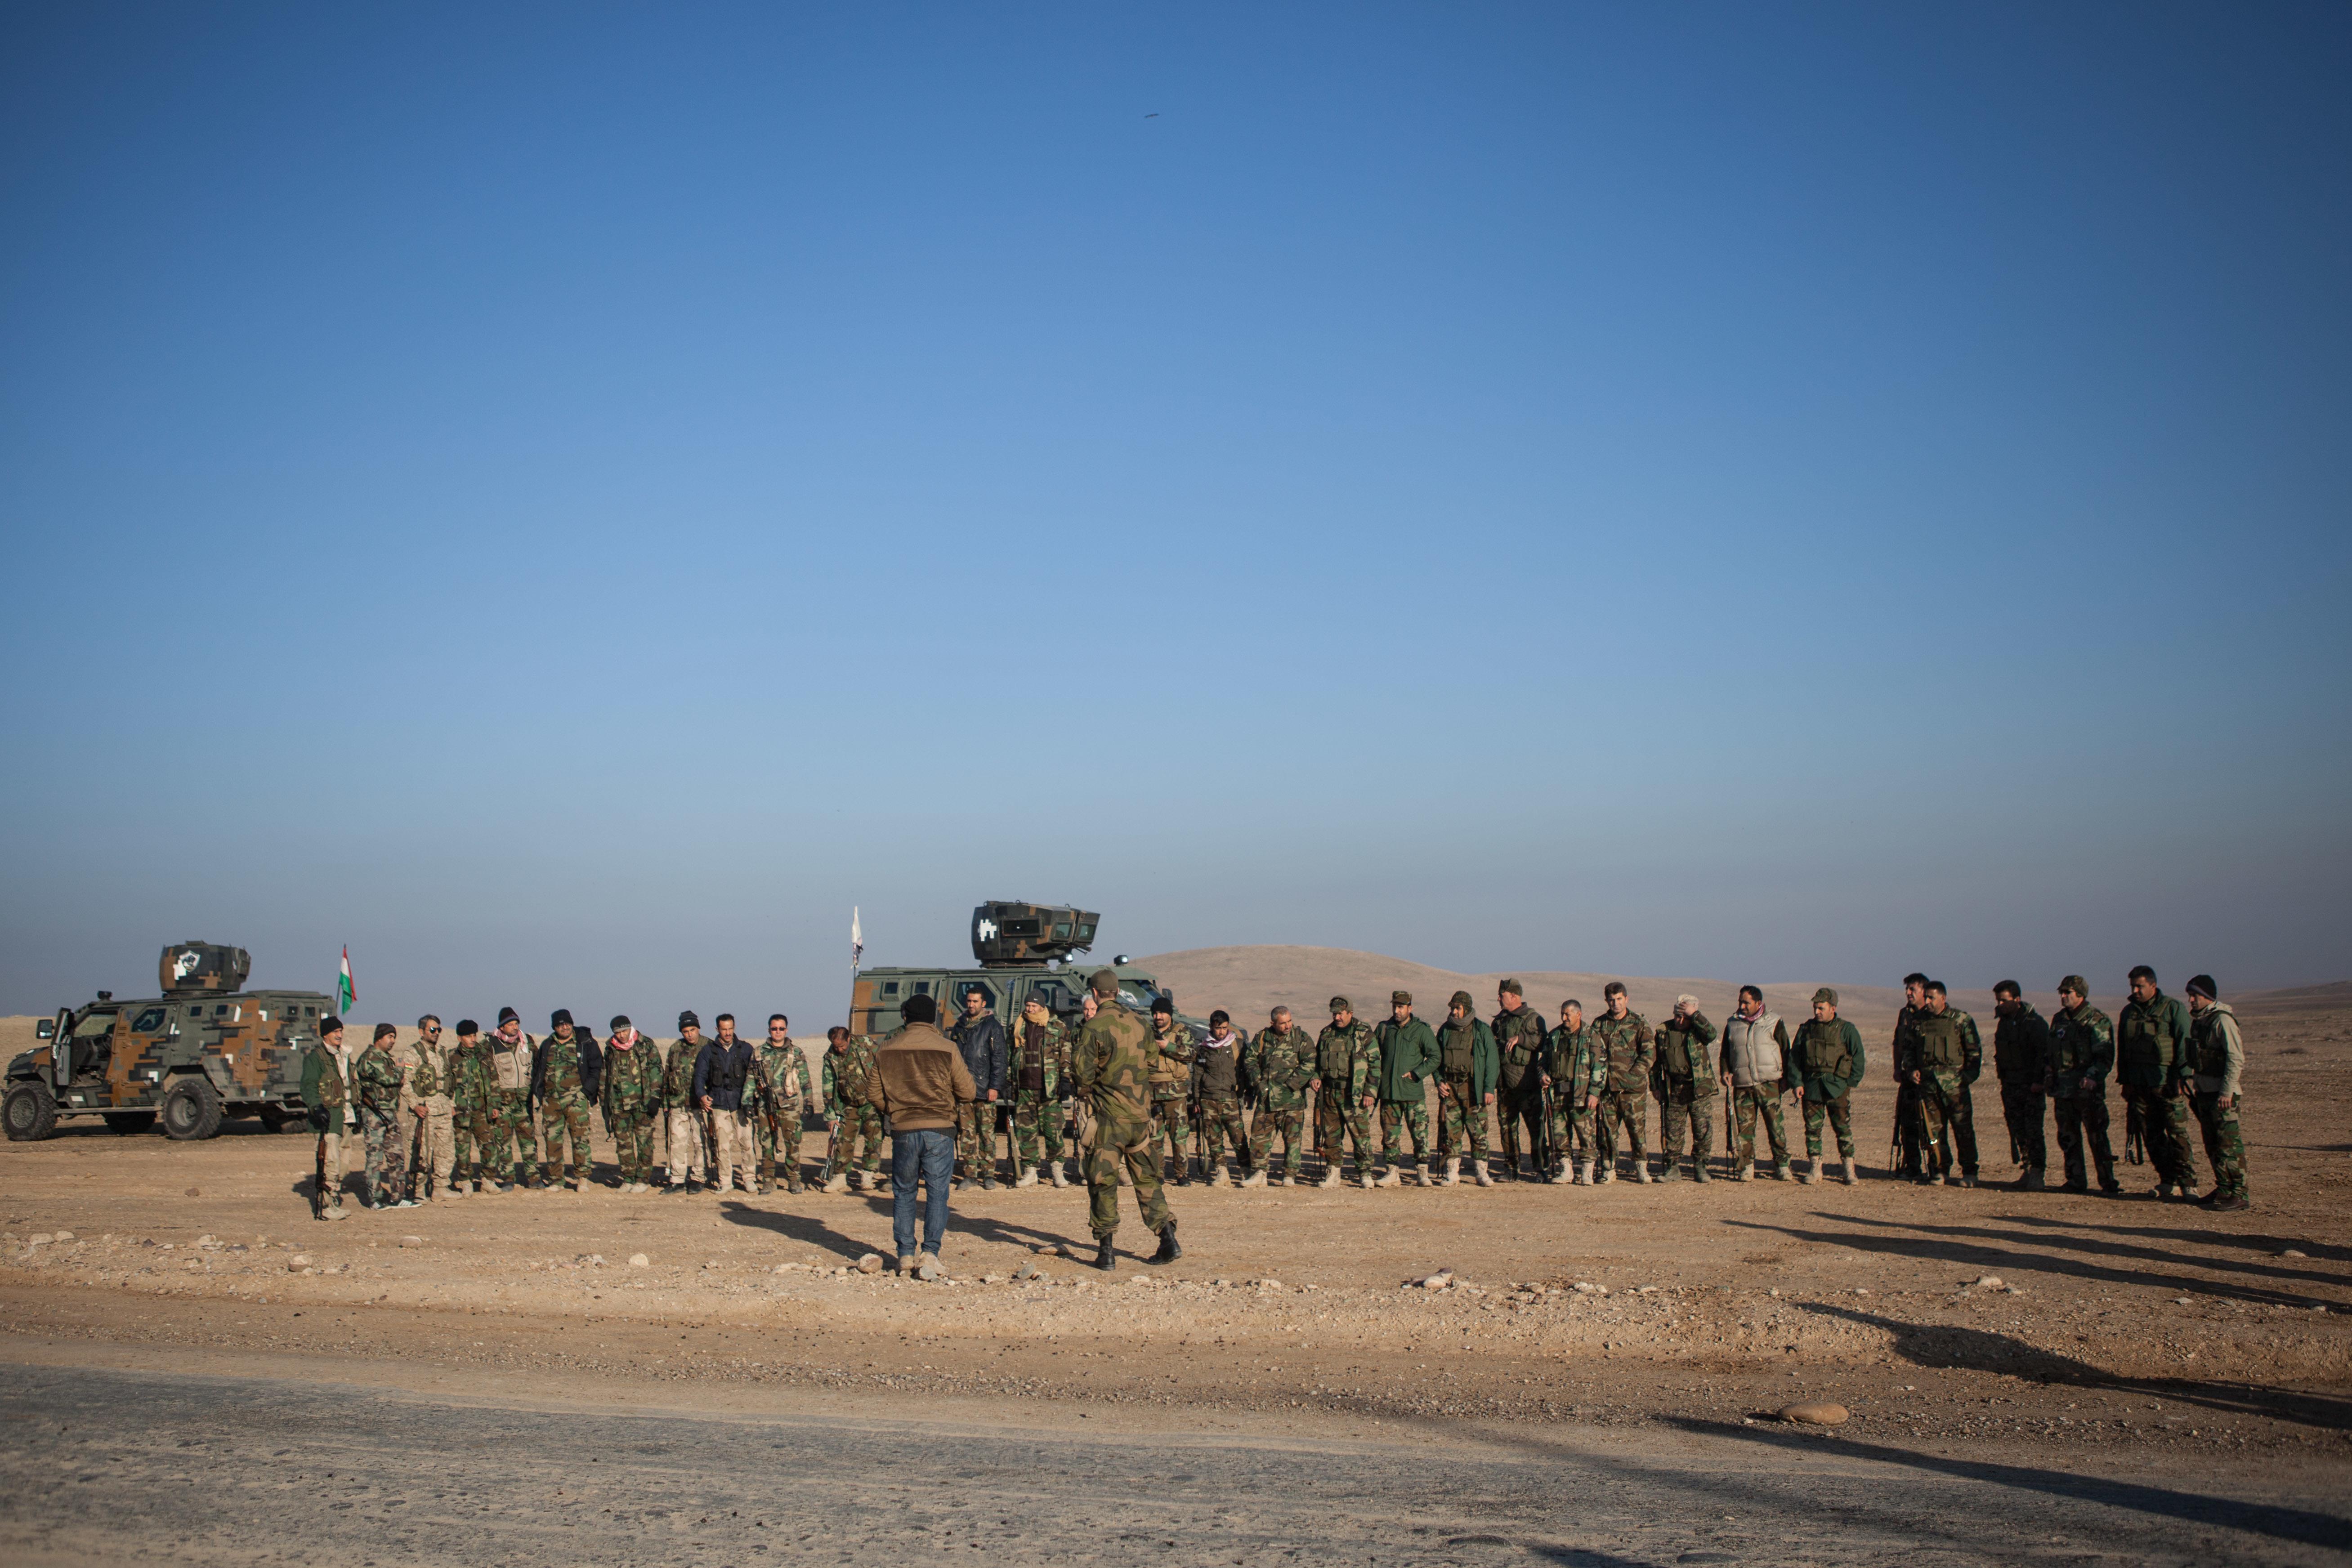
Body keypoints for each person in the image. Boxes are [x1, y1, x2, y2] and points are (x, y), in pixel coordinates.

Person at [863, 993, 975, 1278]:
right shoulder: (947, 1047)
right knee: (937, 1193)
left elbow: (873, 1093)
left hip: (903, 1130)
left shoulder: (886, 1048)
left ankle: (904, 1254)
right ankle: (930, 1253)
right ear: (933, 1018)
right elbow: (968, 1092)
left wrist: (896, 1111)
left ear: (905, 1017)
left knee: (904, 1192)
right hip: (940, 1129)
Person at [1073, 968, 1179, 1269]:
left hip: (1108, 1120)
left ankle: (1106, 1252)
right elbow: (1151, 1062)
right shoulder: (1139, 1023)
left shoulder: (1094, 1027)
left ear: (1095, 993)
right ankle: (1168, 1239)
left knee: (1102, 1181)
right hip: (1140, 1119)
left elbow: (1082, 1074)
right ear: (1117, 992)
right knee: (1147, 1180)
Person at [2118, 966, 2199, 1200]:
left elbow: (2184, 1043)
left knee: (2177, 1134)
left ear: (2153, 986)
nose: (2135, 991)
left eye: (2140, 986)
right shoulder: (2128, 1013)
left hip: (2166, 1083)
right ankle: (2167, 1180)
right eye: (2133, 986)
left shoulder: (2172, 1009)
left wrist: (2183, 1076)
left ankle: (2188, 1183)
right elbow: (2123, 1051)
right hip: (2139, 1085)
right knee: (2150, 1134)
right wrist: (2125, 1081)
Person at [1901, 981, 1981, 1187]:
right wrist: (1911, 1071)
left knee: (1963, 1130)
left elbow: (1974, 1053)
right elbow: (1908, 1050)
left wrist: (1966, 1079)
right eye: (1926, 997)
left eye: (1931, 998)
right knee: (1933, 1133)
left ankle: (1969, 1171)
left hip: (1955, 1087)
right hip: (1928, 1086)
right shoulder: (1918, 1021)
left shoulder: (1961, 1020)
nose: (1927, 1001)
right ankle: (1939, 1169)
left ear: (1943, 998)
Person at [2045, 976, 2120, 1195]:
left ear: (2080, 994)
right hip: (2063, 1090)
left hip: (2087, 1090)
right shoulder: (2059, 1020)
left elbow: (2105, 1057)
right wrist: (2049, 1072)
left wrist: (2092, 1077)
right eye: (2062, 992)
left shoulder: (2096, 1020)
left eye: (2067, 992)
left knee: (2097, 1136)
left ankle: (2108, 1182)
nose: (2063, 996)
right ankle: (2075, 1180)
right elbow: (2051, 1052)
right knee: (2068, 1137)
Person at [2184, 975, 2249, 1211]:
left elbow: (2235, 1058)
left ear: (2208, 997)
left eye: (2195, 996)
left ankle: (2239, 1192)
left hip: (2223, 1095)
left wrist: (2227, 1091)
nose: (2191, 1000)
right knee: (2212, 1144)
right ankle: (2224, 1189)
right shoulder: (2201, 1021)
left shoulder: (2223, 1021)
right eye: (2190, 995)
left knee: (2229, 1145)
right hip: (2205, 1092)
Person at [1789, 988, 1865, 1184]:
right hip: (1812, 1087)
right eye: (1815, 1008)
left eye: (1821, 1008)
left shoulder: (1846, 1029)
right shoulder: (1806, 1029)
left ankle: (1849, 1170)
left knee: (1843, 1130)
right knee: (1813, 1130)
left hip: (1837, 1088)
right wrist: (1797, 1083)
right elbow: (1795, 1058)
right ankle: (1815, 1169)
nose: (1817, 1012)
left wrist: (1849, 1084)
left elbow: (1858, 1057)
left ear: (1833, 1008)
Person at [1719, 986, 1792, 1182]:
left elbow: (1786, 1050)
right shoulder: (1732, 1023)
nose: (1742, 1006)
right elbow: (1726, 1053)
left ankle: (1782, 1165)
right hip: (1743, 1084)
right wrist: (1725, 1071)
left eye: (1746, 1003)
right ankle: (1747, 1166)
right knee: (1744, 1129)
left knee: (1776, 1127)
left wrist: (1787, 1079)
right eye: (1740, 1002)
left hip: (1769, 1083)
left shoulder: (1774, 1022)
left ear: (1759, 1003)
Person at [1312, 996, 1382, 1189]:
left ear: (1350, 1013)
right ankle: (1334, 1172)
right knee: (1331, 1135)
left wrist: (1370, 1092)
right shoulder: (1326, 1033)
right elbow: (1317, 1063)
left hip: (1355, 1094)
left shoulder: (1363, 1033)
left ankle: (1365, 1173)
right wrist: (1316, 1077)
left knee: (1360, 1135)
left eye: (1340, 1013)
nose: (1336, 1017)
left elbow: (1375, 1064)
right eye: (1334, 1013)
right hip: (1329, 1094)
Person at [1243, 1006, 1316, 1188]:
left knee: (1293, 1140)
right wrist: (1259, 1083)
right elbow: (1250, 1061)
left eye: (1289, 1021)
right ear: (1273, 1023)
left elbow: (1310, 1062)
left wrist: (1293, 1084)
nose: (1288, 1026)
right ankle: (1260, 1173)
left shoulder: (1302, 1038)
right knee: (1260, 1137)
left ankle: (1290, 1175)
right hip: (1267, 1099)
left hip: (1293, 1099)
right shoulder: (1262, 1038)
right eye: (1283, 1023)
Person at [1373, 990, 1438, 1187]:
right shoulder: (1384, 1029)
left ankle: (1422, 1172)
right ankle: (1392, 1172)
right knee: (1389, 1136)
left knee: (1420, 1135)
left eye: (1401, 1006)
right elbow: (1373, 1056)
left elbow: (1436, 1057)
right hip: (1389, 1093)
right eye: (1395, 1006)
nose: (1397, 1010)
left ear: (1410, 1008)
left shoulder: (1421, 1030)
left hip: (1412, 1093)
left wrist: (1417, 1073)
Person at [533, 1009, 603, 1192]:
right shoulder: (547, 1045)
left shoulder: (585, 1042)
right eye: (560, 1025)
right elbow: (538, 1070)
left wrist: (586, 1092)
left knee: (580, 1139)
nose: (565, 1027)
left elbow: (597, 1068)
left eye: (567, 1024)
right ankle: (556, 1180)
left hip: (576, 1100)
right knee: (552, 1141)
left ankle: (582, 1179)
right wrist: (540, 1094)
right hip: (552, 1102)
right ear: (555, 1027)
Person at [1433, 991, 1498, 1186]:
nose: (1454, 1012)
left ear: (1467, 1009)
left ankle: (1481, 1172)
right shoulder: (1445, 1030)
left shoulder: (1481, 1030)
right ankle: (1452, 1172)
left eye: (1458, 1008)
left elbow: (1492, 1062)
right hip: (1450, 1088)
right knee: (1451, 1131)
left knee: (1478, 1131)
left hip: (1473, 1088)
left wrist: (1489, 1089)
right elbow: (1436, 1059)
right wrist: (1438, 1081)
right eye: (1452, 1008)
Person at [1991, 982, 2052, 1190]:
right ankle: (2027, 1169)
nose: (2000, 1005)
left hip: (2031, 1086)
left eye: (2004, 1000)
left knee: (2034, 1130)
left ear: (2017, 1000)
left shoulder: (2034, 1023)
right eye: (1998, 1001)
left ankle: (2038, 1172)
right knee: (2018, 1129)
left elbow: (2043, 1055)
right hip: (2010, 1085)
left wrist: (2038, 1082)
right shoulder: (2005, 1023)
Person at [1590, 983, 1654, 1183]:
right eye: (1611, 1000)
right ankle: (1609, 1168)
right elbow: (1592, 1054)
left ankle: (1641, 1167)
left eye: (1619, 999)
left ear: (1627, 999)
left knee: (1636, 1129)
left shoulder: (1639, 1024)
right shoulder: (1599, 1024)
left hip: (1632, 1091)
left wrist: (1633, 1076)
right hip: (1607, 1089)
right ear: (1606, 1001)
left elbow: (1649, 1055)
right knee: (1608, 1131)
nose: (1615, 1003)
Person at [1653, 993, 1719, 1183]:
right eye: (1677, 1016)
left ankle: (1700, 1167)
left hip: (1699, 1089)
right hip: (1675, 1088)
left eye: (1685, 1017)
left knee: (1703, 1130)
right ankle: (1673, 1168)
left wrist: (1696, 1015)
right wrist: (1655, 1087)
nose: (1680, 1021)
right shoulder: (1664, 1032)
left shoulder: (1699, 1031)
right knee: (1673, 1130)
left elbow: (1712, 1034)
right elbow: (1655, 1063)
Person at [1008, 997, 1073, 1188]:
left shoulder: (1057, 1026)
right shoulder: (1018, 1026)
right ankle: (1030, 1172)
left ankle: (1057, 1171)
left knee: (1054, 1132)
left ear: (1042, 1007)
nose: (1029, 1009)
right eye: (1027, 1005)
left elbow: (1066, 1054)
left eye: (1033, 1006)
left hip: (1049, 1088)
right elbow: (1010, 1053)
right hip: (1025, 1088)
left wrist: (1065, 1079)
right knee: (1026, 1132)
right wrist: (1007, 1080)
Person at [949, 987, 1008, 1188]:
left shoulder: (993, 1027)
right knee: (966, 1134)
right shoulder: (959, 1026)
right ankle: (969, 1174)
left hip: (985, 1090)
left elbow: (1000, 1059)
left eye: (975, 1002)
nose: (971, 1005)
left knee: (987, 1135)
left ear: (984, 1004)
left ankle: (989, 1174)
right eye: (969, 1001)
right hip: (964, 1089)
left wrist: (994, 1087)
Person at [693, 1013, 757, 1196]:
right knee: (722, 1145)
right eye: (724, 1029)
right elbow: (700, 1076)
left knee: (747, 1143)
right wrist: (702, 1095)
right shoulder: (708, 1051)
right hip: (719, 1103)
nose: (727, 1033)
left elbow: (753, 1076)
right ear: (717, 1030)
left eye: (730, 1029)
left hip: (741, 1104)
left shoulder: (745, 1049)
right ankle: (726, 1181)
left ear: (734, 1028)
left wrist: (751, 1100)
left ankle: (750, 1179)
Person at [397, 1014, 459, 1202]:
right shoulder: (412, 1053)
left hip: (443, 1110)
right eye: (433, 1030)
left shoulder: (442, 1052)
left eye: (439, 1030)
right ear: (421, 1031)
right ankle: (418, 1190)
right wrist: (415, 1105)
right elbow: (405, 1082)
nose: (436, 1033)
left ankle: (441, 1187)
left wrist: (451, 1104)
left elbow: (448, 1081)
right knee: (421, 1153)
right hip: (424, 1112)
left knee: (446, 1151)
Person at [1491, 981, 1549, 1181]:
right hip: (1505, 1086)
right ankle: (1511, 1168)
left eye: (1502, 995)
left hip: (1528, 1086)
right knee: (1507, 1130)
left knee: (1536, 1130)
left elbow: (1543, 1042)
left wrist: (1521, 1039)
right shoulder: (1499, 1021)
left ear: (1514, 996)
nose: (1499, 999)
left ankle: (1540, 1169)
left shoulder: (1533, 1018)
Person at [753, 1013, 815, 1194]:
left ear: (786, 1030)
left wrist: (809, 1103)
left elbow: (805, 1081)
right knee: (767, 1145)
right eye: (774, 1029)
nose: (777, 1032)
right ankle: (768, 1180)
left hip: (790, 1107)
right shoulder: (758, 1053)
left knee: (793, 1144)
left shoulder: (796, 1053)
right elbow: (751, 1080)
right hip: (766, 1107)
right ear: (769, 1030)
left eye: (781, 1029)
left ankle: (794, 1180)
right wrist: (748, 1102)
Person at [600, 1015, 662, 1193]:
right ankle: (628, 1178)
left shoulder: (645, 1044)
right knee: (623, 1144)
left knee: (645, 1143)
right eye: (618, 1032)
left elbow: (657, 1070)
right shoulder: (610, 1048)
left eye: (624, 1031)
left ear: (631, 1028)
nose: (622, 1035)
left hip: (643, 1104)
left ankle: (643, 1179)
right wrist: (605, 1103)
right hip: (619, 1105)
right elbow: (605, 1076)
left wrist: (655, 1098)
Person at [821, 1027, 887, 1193]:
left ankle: (868, 1175)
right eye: (836, 1047)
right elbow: (828, 1086)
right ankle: (840, 1177)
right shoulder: (830, 1057)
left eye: (842, 1046)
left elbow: (883, 1066)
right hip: (847, 1104)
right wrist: (830, 1114)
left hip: (872, 1101)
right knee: (844, 1141)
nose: (840, 1050)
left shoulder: (866, 1044)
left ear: (849, 1038)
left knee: (874, 1139)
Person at [1192, 1009, 1252, 1187]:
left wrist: (1249, 1092)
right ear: (1211, 1027)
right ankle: (1222, 1172)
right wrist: (1197, 1100)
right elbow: (1197, 1075)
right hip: (1208, 1100)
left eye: (1225, 1028)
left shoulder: (1238, 1046)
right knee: (1213, 1138)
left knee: (1238, 1137)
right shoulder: (1203, 1049)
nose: (1221, 1032)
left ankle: (1245, 1170)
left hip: (1230, 1098)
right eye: (1218, 1028)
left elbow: (1246, 1071)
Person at [300, 1016, 352, 1220]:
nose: (339, 1035)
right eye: (335, 1032)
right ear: (325, 1035)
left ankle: (334, 1196)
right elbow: (308, 1085)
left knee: (344, 1165)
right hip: (328, 1119)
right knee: (330, 1163)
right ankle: (327, 1205)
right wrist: (316, 1107)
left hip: (345, 1118)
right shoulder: (316, 1058)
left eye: (341, 1031)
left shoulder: (344, 1056)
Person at [353, 1023, 409, 1208]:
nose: (393, 1041)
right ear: (379, 1037)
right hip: (374, 1115)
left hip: (390, 1113)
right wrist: (400, 1069)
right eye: (390, 1037)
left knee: (396, 1156)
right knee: (375, 1158)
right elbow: (390, 1079)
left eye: (394, 1037)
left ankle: (398, 1196)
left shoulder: (386, 1059)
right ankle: (375, 1199)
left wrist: (397, 1072)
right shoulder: (370, 1058)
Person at [1543, 1000, 1599, 1183]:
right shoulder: (1554, 1036)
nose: (1564, 1018)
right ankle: (1566, 1170)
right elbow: (1542, 1063)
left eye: (1568, 1014)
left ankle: (1587, 1171)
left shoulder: (1591, 1036)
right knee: (1560, 1134)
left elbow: (1600, 1066)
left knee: (1586, 1134)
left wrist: (1595, 1092)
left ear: (1579, 1015)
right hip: (1558, 1093)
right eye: (1562, 1014)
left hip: (1581, 1095)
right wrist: (1542, 1075)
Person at [482, 1006, 537, 1190]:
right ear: (502, 1027)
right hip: (503, 1104)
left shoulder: (527, 1042)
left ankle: (534, 1178)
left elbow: (537, 1065)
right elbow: (489, 1075)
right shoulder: (491, 1045)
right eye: (510, 1024)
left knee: (529, 1141)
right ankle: (508, 1179)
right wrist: (493, 1103)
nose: (514, 1027)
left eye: (516, 1023)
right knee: (503, 1143)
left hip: (524, 1103)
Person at [1145, 997, 1198, 1183]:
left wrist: (1169, 1047)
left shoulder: (1181, 1031)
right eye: (1156, 1013)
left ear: (1169, 1014)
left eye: (1162, 1013)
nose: (1158, 1016)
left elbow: (1192, 1054)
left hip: (1175, 1094)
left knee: (1179, 1136)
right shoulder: (1146, 1032)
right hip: (1151, 1093)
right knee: (1154, 1137)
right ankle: (1157, 1173)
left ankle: (1181, 1174)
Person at [662, 1012, 710, 1193]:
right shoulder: (675, 1048)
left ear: (698, 1028)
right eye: (685, 1031)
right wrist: (665, 1102)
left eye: (693, 1030)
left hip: (700, 1104)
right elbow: (668, 1075)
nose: (690, 1034)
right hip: (678, 1102)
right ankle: (677, 1180)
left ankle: (698, 1178)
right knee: (677, 1142)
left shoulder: (709, 1047)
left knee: (700, 1142)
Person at [448, 1019, 496, 1193]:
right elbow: (447, 1086)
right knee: (462, 1149)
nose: (473, 1039)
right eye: (469, 1036)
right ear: (460, 1038)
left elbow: (494, 1079)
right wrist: (450, 1106)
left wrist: (495, 1105)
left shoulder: (483, 1054)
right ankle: (466, 1181)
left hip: (482, 1110)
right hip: (461, 1111)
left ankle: (488, 1180)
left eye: (474, 1035)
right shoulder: (452, 1057)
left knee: (489, 1147)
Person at [1890, 974, 1930, 1179]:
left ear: (1924, 991)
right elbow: (1898, 1043)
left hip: (1929, 1080)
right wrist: (1898, 1068)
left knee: (1931, 1127)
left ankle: (1937, 1166)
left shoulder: (1931, 1014)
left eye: (1913, 989)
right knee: (1907, 1124)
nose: (1908, 993)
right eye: (1907, 989)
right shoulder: (1904, 1014)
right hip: (1907, 1078)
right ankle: (1912, 1165)